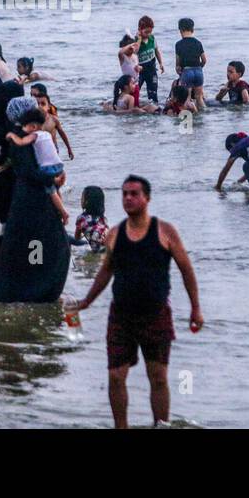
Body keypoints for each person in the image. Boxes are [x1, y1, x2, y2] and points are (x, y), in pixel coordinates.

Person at [70, 175, 203, 428]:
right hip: (121, 316)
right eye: (125, 194)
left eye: (134, 193)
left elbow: (186, 269)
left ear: (147, 198)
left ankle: (160, 424)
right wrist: (86, 301)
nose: (128, 198)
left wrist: (196, 309)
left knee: (159, 378)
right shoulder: (115, 233)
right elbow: (106, 272)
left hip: (156, 314)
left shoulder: (165, 231)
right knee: (115, 376)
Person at [0, 95, 72, 303]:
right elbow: (27, 170)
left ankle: (31, 287)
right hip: (33, 201)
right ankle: (34, 289)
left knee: (33, 244)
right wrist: (51, 178)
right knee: (38, 244)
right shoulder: (24, 139)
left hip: (27, 199)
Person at [174, 18, 207, 111]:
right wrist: (199, 68)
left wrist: (179, 70)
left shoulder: (179, 44)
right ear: (193, 29)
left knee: (187, 99)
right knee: (199, 98)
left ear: (180, 30)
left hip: (187, 71)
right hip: (198, 71)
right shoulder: (198, 43)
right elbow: (204, 60)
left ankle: (188, 117)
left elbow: (178, 64)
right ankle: (204, 114)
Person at [73, 186, 110, 252]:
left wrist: (84, 233)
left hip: (100, 251)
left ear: (86, 202)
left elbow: (77, 237)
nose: (80, 200)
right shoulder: (103, 218)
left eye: (82, 198)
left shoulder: (81, 218)